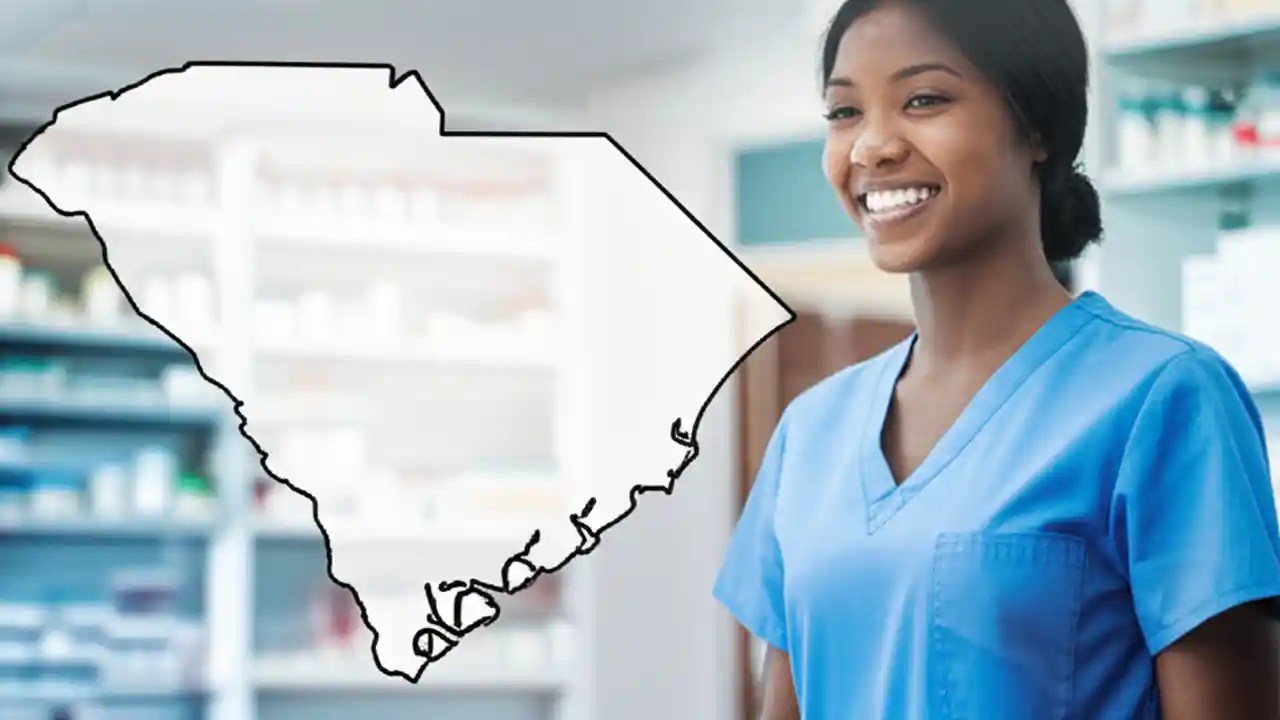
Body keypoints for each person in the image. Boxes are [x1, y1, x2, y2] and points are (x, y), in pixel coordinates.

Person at [712, 0, 1280, 718]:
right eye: (844, 112)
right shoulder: (809, 435)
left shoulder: (1162, 399)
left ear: (1035, 123)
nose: (872, 147)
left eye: (923, 99)